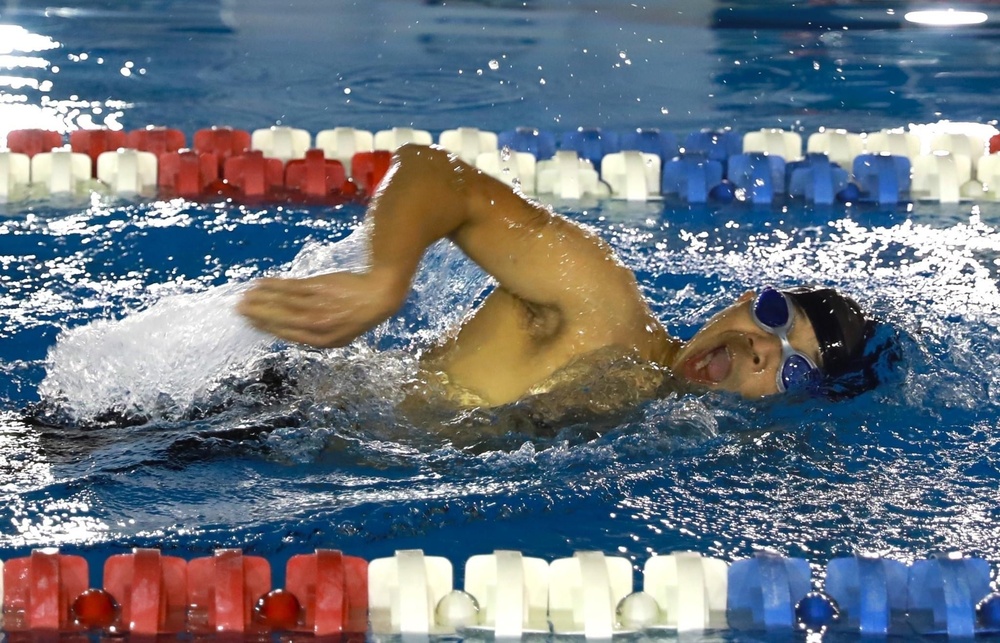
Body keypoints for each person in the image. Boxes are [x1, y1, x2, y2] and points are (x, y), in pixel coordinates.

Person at [238, 144, 873, 411]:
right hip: (261, 414)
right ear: (743, 301)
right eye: (774, 316)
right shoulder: (599, 306)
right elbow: (436, 174)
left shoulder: (652, 440)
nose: (764, 347)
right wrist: (384, 282)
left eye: (792, 369)